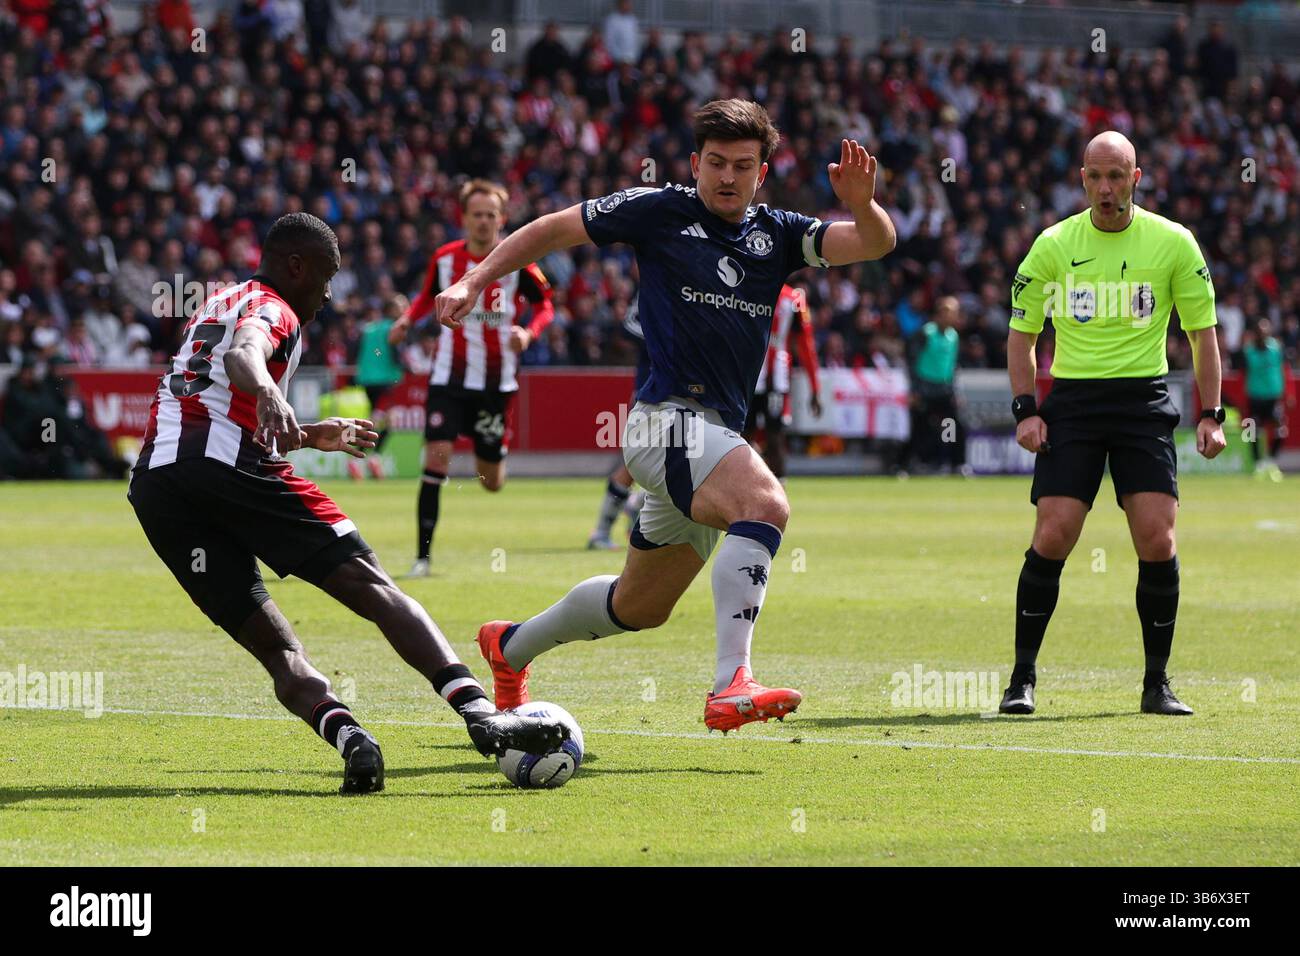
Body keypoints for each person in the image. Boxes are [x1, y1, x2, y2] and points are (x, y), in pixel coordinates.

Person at [434, 99, 895, 732]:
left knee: (638, 607)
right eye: (715, 163)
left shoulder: (779, 232)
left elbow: (873, 243)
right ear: (693, 164)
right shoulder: (659, 210)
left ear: (763, 172)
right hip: (662, 422)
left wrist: (864, 204)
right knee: (764, 505)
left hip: (714, 435)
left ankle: (509, 647)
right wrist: (476, 279)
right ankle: (732, 683)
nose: (726, 177)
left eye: (741, 165)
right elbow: (551, 228)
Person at [127, 213, 567, 795]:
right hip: (232, 467)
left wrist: (308, 433)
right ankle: (480, 713)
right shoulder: (272, 306)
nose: (329, 293)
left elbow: (211, 393)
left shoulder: (217, 300)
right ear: (296, 266)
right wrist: (265, 389)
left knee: (274, 646)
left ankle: (352, 740)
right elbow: (243, 356)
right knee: (373, 586)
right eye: (327, 277)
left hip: (158, 487)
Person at [1001, 131, 1226, 717]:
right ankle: (1021, 679)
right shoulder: (1053, 245)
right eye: (1096, 177)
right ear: (1082, 179)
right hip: (1073, 403)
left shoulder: (1174, 242)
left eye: (1117, 177)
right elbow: (1023, 336)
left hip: (1142, 404)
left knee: (1157, 539)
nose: (1106, 189)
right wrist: (1026, 411)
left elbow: (1202, 335)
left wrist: (1211, 413)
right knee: (1053, 535)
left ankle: (1157, 684)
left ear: (1136, 178)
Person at [388, 180, 555, 577]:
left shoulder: (519, 261)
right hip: (448, 379)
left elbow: (545, 305)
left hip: (496, 385)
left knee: (491, 481)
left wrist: (528, 333)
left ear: (502, 218)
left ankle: (496, 454)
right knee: (436, 459)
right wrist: (407, 321)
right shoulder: (445, 258)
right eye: (476, 214)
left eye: (490, 215)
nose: (484, 222)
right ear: (464, 218)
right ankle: (422, 558)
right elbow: (427, 297)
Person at [743, 283, 822, 482]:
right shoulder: (747, 289)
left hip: (775, 380)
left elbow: (806, 345)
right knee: (740, 437)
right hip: (748, 378)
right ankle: (742, 489)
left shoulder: (794, 299)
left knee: (775, 437)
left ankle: (780, 493)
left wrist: (815, 388)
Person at [588, 297, 648, 550]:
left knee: (680, 459)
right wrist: (667, 335)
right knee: (635, 463)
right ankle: (601, 531)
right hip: (652, 391)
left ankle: (637, 505)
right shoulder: (658, 280)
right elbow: (628, 325)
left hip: (687, 392)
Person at [898, 295, 966, 475]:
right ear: (941, 313)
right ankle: (905, 464)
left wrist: (954, 390)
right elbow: (912, 361)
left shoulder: (954, 337)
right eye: (952, 312)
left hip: (944, 390)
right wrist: (914, 389)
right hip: (925, 389)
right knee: (918, 427)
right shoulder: (925, 333)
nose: (955, 316)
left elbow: (951, 365)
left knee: (950, 426)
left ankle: (954, 463)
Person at [352, 293, 408, 479]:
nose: (405, 309)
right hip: (384, 379)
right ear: (392, 310)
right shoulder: (393, 328)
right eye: (401, 306)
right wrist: (405, 368)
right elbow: (394, 353)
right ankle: (358, 458)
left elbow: (364, 352)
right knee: (380, 420)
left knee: (385, 419)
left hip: (368, 380)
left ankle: (370, 458)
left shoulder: (369, 329)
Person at [1242, 318, 1291, 480]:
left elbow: (1284, 370)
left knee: (1280, 430)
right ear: (1255, 334)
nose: (1263, 335)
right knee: (1251, 430)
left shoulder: (1276, 349)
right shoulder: (1248, 351)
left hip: (1273, 396)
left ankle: (1271, 461)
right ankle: (1257, 464)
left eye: (1265, 332)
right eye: (1260, 332)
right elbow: (1243, 373)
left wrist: (1288, 393)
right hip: (1255, 397)